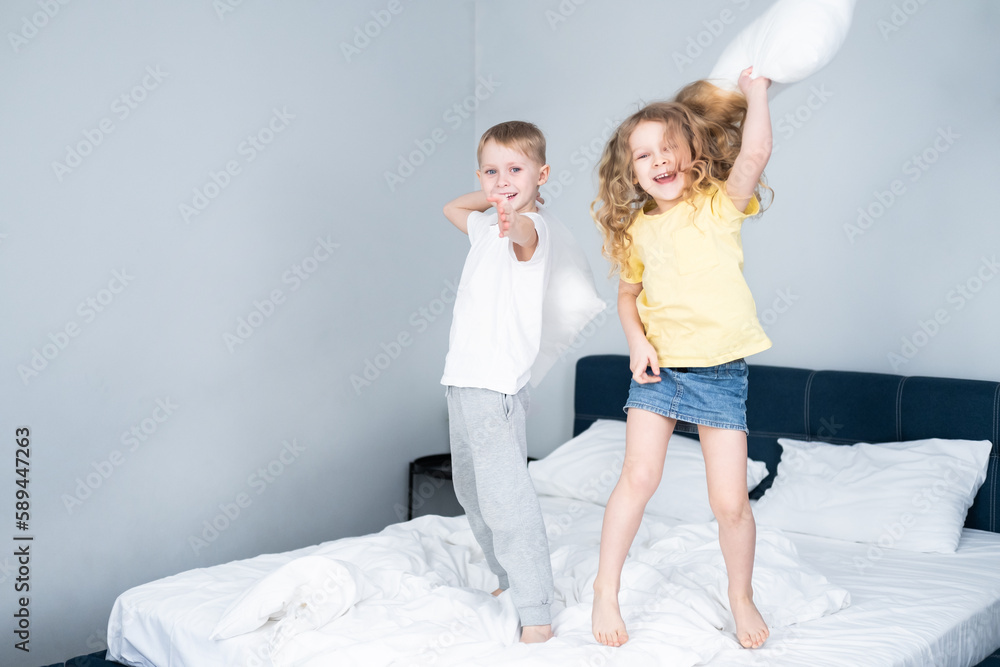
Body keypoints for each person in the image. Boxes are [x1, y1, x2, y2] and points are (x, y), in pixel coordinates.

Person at [590, 67, 773, 650]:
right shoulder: (638, 229)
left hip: (719, 372)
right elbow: (627, 293)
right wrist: (637, 342)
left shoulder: (719, 206)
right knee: (637, 478)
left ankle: (740, 596)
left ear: (693, 151)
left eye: (668, 149)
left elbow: (756, 152)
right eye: (644, 155)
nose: (659, 161)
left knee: (729, 502)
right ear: (632, 171)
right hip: (659, 368)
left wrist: (758, 92)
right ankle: (604, 589)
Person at [440, 120, 555, 643]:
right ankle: (508, 579)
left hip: (495, 387)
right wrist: (494, 196)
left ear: (542, 174)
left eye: (516, 169)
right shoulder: (486, 226)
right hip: (461, 381)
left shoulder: (532, 228)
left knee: (507, 499)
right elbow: (453, 210)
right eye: (491, 170)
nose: (502, 178)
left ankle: (535, 612)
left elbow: (524, 236)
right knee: (472, 492)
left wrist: (515, 207)